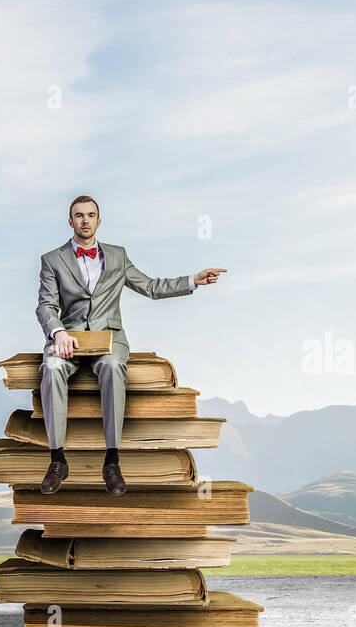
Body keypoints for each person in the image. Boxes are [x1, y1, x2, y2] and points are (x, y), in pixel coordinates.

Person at [35, 195, 225, 495]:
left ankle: (112, 462)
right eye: (79, 215)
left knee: (112, 366)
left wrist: (193, 280)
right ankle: (57, 460)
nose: (85, 220)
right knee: (52, 366)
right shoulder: (52, 259)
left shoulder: (117, 255)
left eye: (91, 215)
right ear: (70, 221)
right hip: (69, 339)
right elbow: (46, 306)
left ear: (99, 220)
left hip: (109, 339)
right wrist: (58, 333)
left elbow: (150, 287)